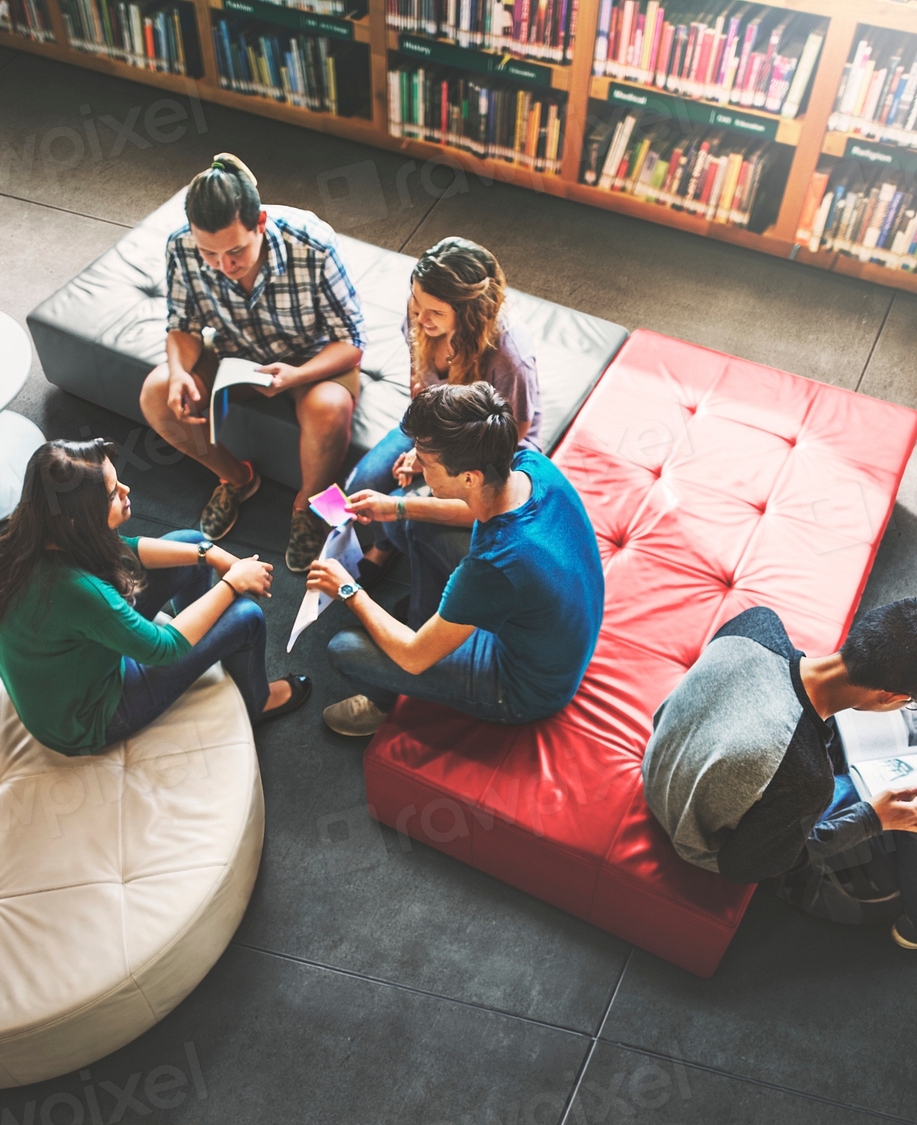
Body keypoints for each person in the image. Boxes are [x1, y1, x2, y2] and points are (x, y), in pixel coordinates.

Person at [642, 601, 917, 951]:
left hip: (660, 764)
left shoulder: (757, 624)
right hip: (697, 836)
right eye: (913, 701)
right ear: (889, 697)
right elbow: (745, 866)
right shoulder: (804, 775)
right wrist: (872, 819)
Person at [0, 439, 311, 756]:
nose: (126, 491)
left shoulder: (40, 532)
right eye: (112, 494)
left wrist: (211, 554)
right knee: (246, 618)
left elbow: (125, 550)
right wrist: (232, 584)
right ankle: (257, 701)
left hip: (70, 672)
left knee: (191, 543)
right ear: (80, 518)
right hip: (87, 719)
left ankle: (208, 644)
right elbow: (163, 648)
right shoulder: (78, 591)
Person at [307, 382, 603, 737]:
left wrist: (348, 590)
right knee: (415, 526)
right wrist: (396, 506)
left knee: (345, 648)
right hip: (557, 629)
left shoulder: (492, 567)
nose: (418, 466)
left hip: (526, 687)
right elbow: (478, 511)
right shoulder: (531, 466)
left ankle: (383, 703)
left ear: (468, 477)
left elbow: (414, 658)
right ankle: (429, 621)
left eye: (427, 462)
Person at [138, 153, 367, 572]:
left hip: (312, 359)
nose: (224, 267)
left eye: (236, 251)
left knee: (328, 408)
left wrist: (297, 375)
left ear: (260, 222)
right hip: (234, 352)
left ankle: (309, 507)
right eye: (209, 254)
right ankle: (237, 478)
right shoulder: (181, 246)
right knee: (156, 394)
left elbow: (351, 343)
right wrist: (177, 374)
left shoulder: (313, 244)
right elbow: (182, 326)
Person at [345, 237, 541, 601]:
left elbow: (512, 432)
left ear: (468, 314)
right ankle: (387, 547)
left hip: (488, 443)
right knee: (362, 484)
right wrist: (422, 448)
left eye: (434, 312)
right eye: (416, 303)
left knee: (415, 521)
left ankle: (412, 568)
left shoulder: (510, 356)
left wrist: (431, 460)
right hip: (435, 422)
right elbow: (419, 384)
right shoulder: (421, 315)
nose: (420, 317)